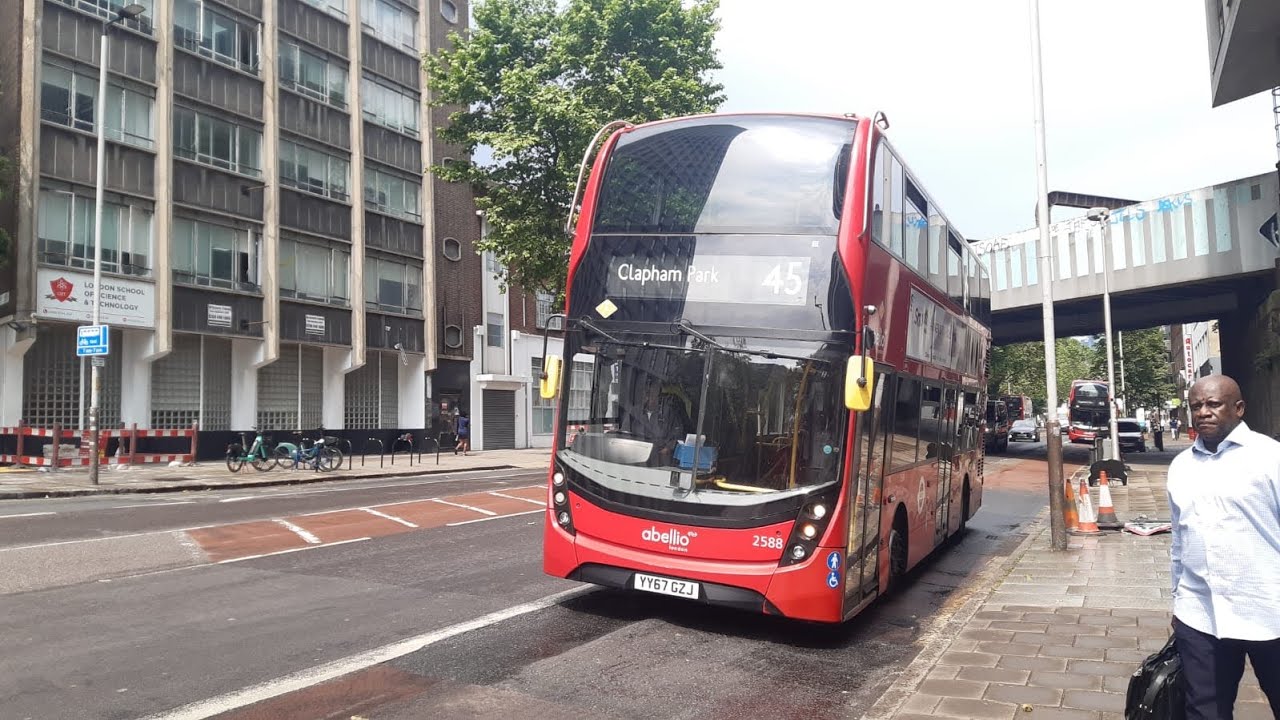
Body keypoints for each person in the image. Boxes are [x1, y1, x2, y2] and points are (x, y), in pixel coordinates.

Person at [1167, 374, 1280, 719]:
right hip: (1201, 615)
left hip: (1270, 613)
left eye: (1213, 404)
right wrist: (1178, 601)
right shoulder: (1181, 466)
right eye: (1196, 406)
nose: (1203, 412)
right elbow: (1179, 541)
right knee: (1203, 712)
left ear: (1239, 408)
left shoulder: (1270, 457)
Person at [620, 377, 689, 465]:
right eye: (648, 395)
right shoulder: (634, 413)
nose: (651, 399)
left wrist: (668, 448)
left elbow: (678, 435)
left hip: (662, 461)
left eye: (654, 395)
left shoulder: (668, 412)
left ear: (660, 397)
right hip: (637, 460)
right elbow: (624, 435)